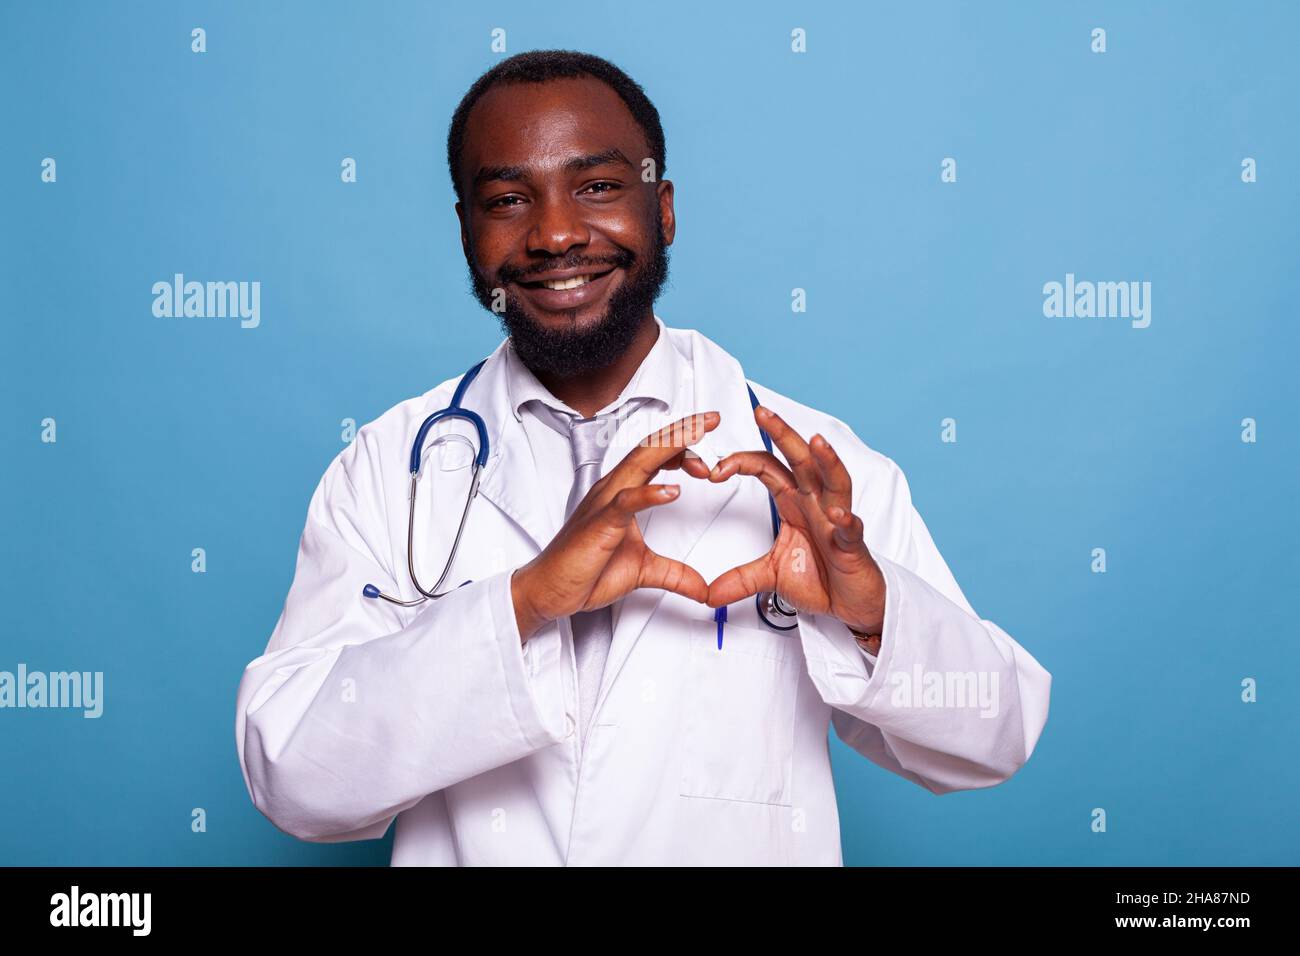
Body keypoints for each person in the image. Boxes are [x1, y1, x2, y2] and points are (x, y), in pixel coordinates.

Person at [234, 49, 1052, 866]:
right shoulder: (389, 469)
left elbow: (995, 737)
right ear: (466, 232)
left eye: (597, 186)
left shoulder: (810, 471)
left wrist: (872, 614)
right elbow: (294, 780)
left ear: (662, 209)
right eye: (508, 199)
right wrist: (522, 604)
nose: (555, 233)